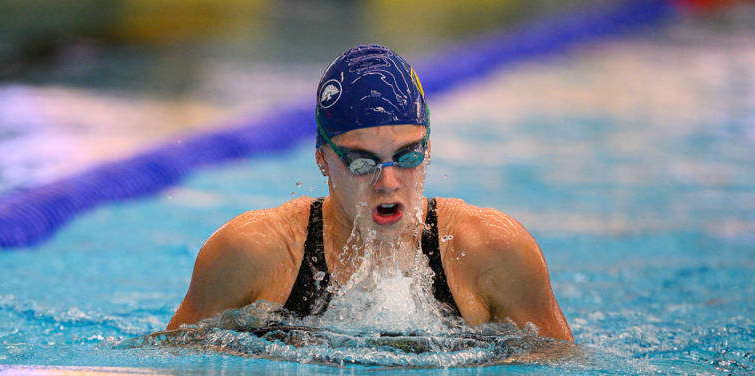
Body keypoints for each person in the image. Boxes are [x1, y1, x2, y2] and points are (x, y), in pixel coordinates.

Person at [167, 44, 573, 342]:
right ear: (323, 160)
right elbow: (176, 366)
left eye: (408, 157)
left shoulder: (495, 251)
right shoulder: (251, 252)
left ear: (428, 149)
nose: (388, 183)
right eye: (362, 163)